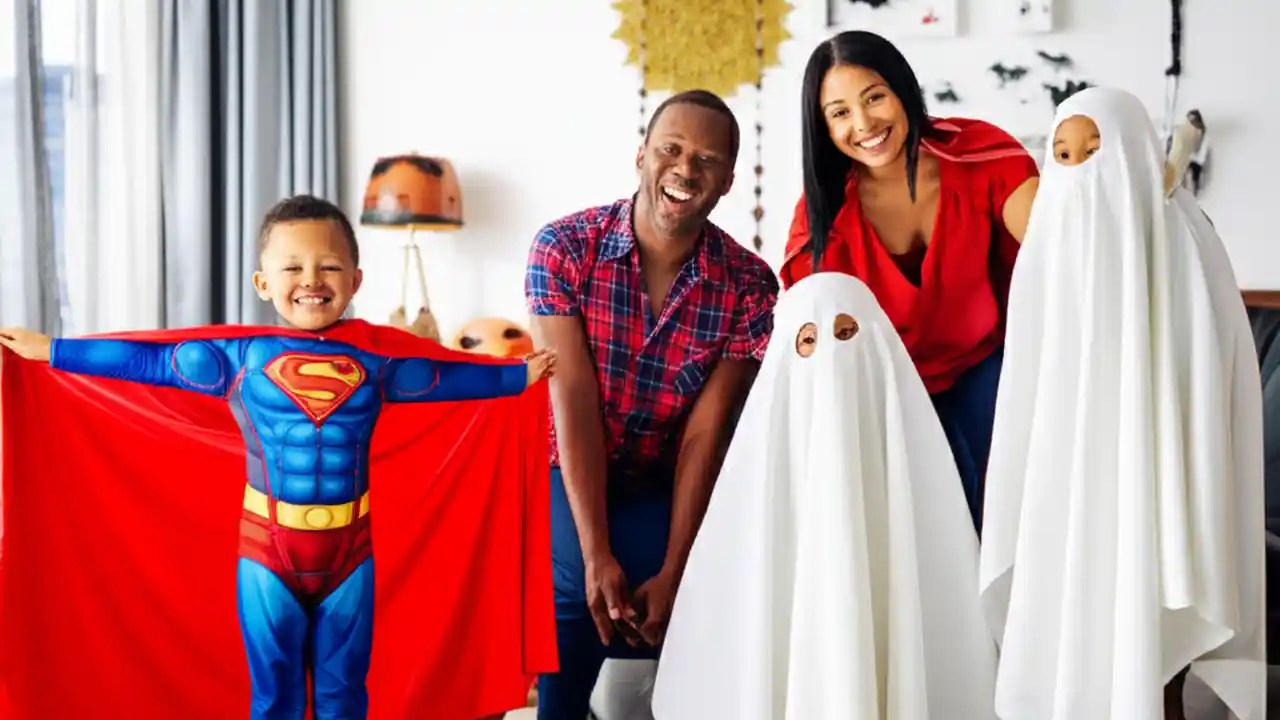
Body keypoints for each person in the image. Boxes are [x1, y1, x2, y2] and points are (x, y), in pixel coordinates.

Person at [0, 195, 557, 720]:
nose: (311, 280)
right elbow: (144, 362)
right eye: (292, 268)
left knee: (345, 697)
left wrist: (518, 376)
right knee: (275, 698)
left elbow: (441, 380)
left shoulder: (378, 365)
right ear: (263, 282)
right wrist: (51, 349)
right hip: (267, 550)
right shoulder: (236, 359)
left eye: (329, 267)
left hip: (351, 551)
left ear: (356, 280)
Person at [978, 87, 1265, 720]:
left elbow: (1207, 371)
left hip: (1161, 476)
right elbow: (1033, 379)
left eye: (1094, 150)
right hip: (1073, 472)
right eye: (1064, 155)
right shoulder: (1050, 252)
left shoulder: (1182, 243)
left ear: (1133, 151)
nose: (1079, 166)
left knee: (1155, 620)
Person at [525, 89, 779, 719]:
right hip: (568, 463)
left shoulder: (751, 285)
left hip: (666, 476)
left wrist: (677, 569)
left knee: (701, 581)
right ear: (641, 155)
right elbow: (572, 399)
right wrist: (595, 554)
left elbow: (706, 436)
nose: (686, 169)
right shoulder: (562, 247)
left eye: (708, 159)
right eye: (671, 149)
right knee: (571, 579)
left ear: (726, 181)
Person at [651, 271, 998, 719]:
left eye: (846, 334)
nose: (829, 356)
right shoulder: (758, 483)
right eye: (809, 342)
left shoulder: (913, 467)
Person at [780, 31, 1039, 531]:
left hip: (982, 362)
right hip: (888, 386)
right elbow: (813, 337)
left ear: (902, 89)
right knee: (927, 519)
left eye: (874, 97)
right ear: (823, 127)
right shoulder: (822, 218)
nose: (864, 124)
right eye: (839, 113)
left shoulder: (978, 153)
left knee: (1012, 497)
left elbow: (1057, 241)